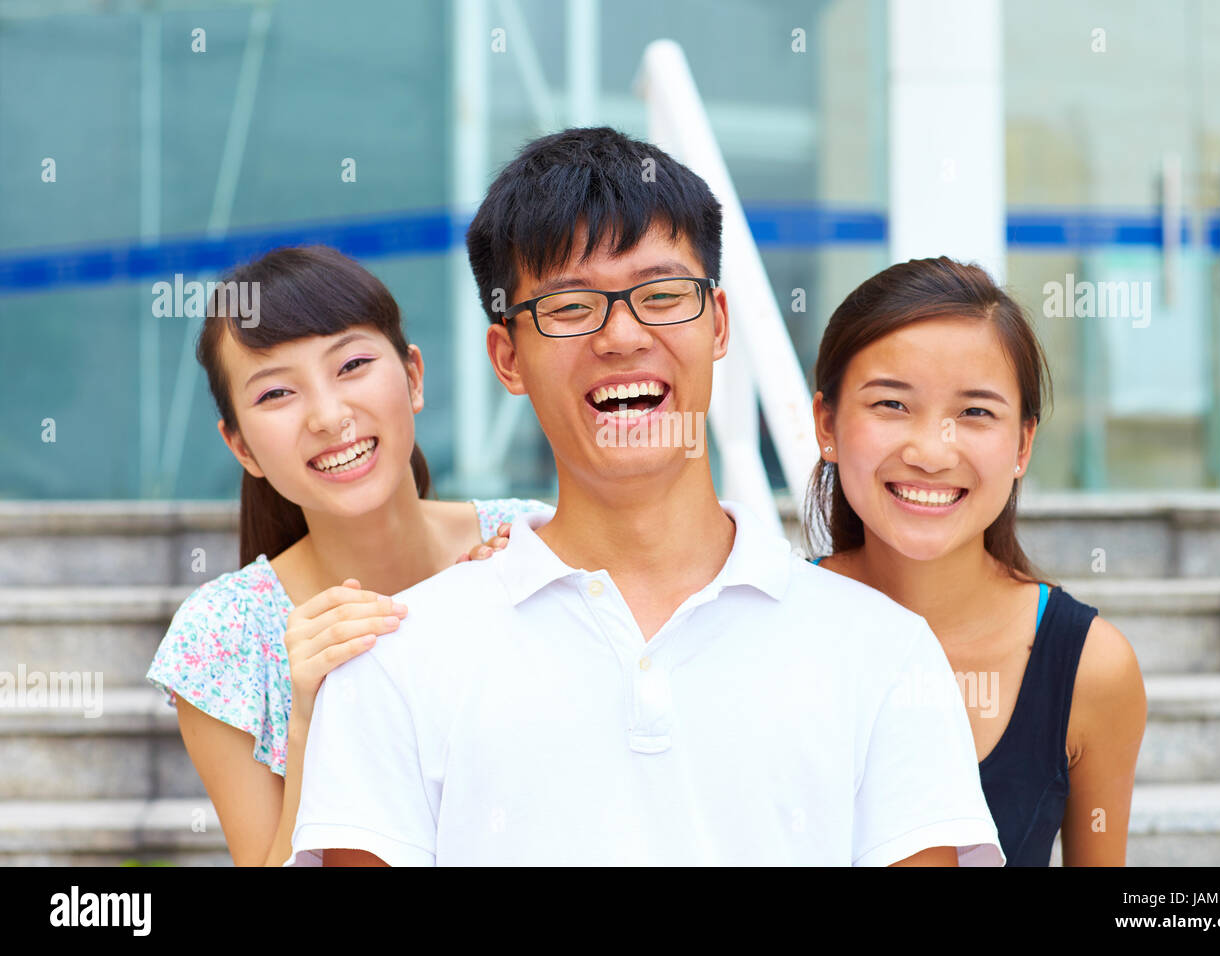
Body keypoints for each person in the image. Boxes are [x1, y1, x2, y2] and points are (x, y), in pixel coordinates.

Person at [286, 128, 1004, 867]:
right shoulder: (395, 663)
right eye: (568, 307)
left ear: (718, 323)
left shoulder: (885, 653)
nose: (622, 335)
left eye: (663, 295)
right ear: (508, 358)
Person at [145, 245, 553, 866]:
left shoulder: (529, 541)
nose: (329, 416)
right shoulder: (222, 638)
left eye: (353, 364)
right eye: (277, 394)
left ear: (413, 377)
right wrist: (308, 714)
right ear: (242, 448)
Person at [805, 256, 1147, 865]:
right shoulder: (760, 628)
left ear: (1023, 443)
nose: (932, 453)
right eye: (891, 404)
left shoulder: (1091, 669)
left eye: (975, 412)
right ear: (826, 423)